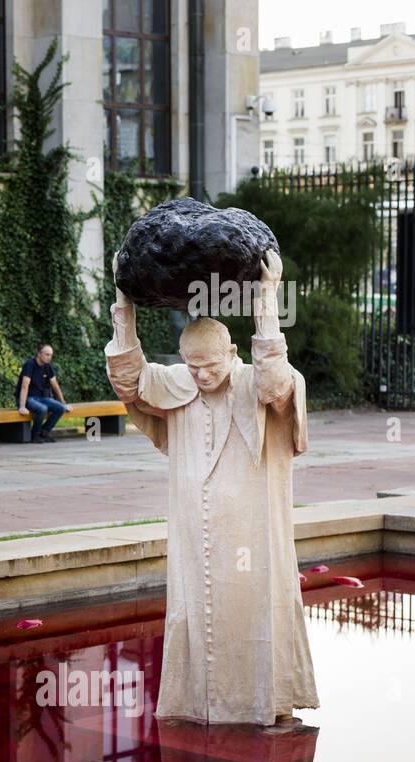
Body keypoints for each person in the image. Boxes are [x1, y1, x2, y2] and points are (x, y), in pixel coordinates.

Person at [104, 250, 318, 726]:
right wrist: (124, 301)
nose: (201, 376)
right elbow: (128, 381)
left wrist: (266, 298)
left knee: (252, 611)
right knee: (195, 611)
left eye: (210, 366)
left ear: (232, 354)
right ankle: (195, 704)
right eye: (192, 366)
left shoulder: (256, 383)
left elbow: (275, 383)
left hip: (251, 533)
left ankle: (259, 703)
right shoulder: (178, 384)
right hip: (195, 535)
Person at [17, 344, 73, 443]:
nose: (49, 357)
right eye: (47, 354)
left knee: (60, 408)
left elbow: (55, 385)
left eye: (51, 355)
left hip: (42, 398)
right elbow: (24, 386)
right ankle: (34, 435)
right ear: (39, 354)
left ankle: (44, 433)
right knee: (42, 409)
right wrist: (22, 406)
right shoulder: (30, 364)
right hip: (28, 398)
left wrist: (63, 403)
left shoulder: (47, 367)